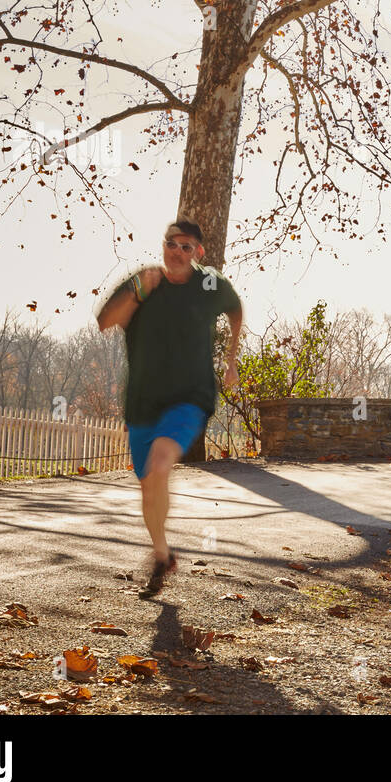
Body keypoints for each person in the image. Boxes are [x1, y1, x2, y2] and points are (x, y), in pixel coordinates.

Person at [96, 219, 243, 597]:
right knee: (149, 485)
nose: (177, 252)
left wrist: (232, 358)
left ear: (199, 252)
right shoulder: (142, 281)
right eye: (171, 244)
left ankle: (161, 556)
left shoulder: (210, 284)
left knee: (161, 463)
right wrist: (139, 293)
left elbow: (236, 308)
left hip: (190, 397)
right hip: (142, 402)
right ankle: (162, 554)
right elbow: (104, 321)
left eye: (186, 247)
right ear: (163, 246)